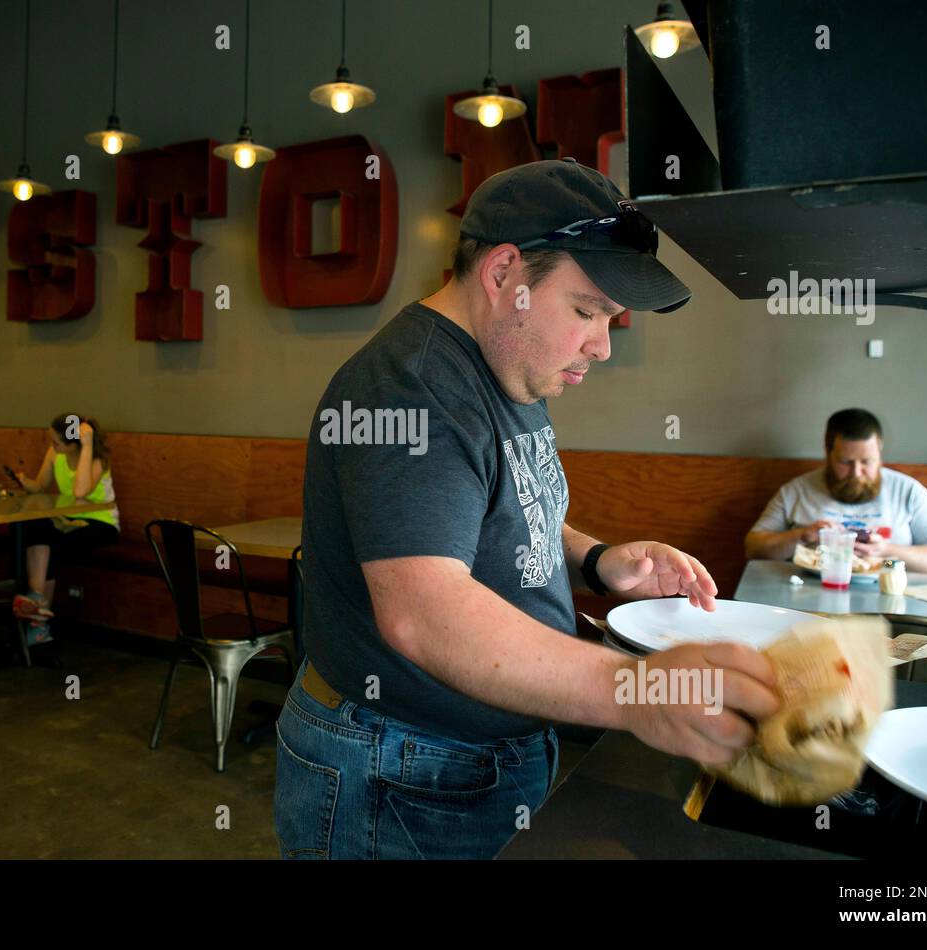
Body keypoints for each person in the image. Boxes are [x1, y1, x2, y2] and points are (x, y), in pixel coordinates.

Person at [274, 159, 782, 860]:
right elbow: (424, 611)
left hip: (482, 755)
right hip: (402, 770)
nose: (601, 345)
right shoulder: (411, 388)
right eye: (586, 311)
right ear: (505, 273)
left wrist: (599, 560)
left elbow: (493, 510)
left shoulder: (503, 364)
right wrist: (641, 692)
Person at [744, 408, 927, 577]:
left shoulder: (908, 492)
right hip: (806, 598)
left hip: (889, 600)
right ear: (828, 452)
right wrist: (802, 536)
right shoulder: (797, 491)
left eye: (867, 462)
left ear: (879, 453)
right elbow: (753, 548)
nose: (856, 473)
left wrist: (885, 551)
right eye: (846, 462)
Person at [12, 414, 121, 647]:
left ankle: (38, 618)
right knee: (35, 526)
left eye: (57, 442)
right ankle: (38, 605)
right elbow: (41, 485)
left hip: (100, 524)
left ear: (74, 443)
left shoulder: (96, 459)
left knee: (51, 545)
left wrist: (88, 446)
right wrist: (25, 482)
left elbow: (80, 492)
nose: (52, 446)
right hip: (68, 520)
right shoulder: (55, 454)